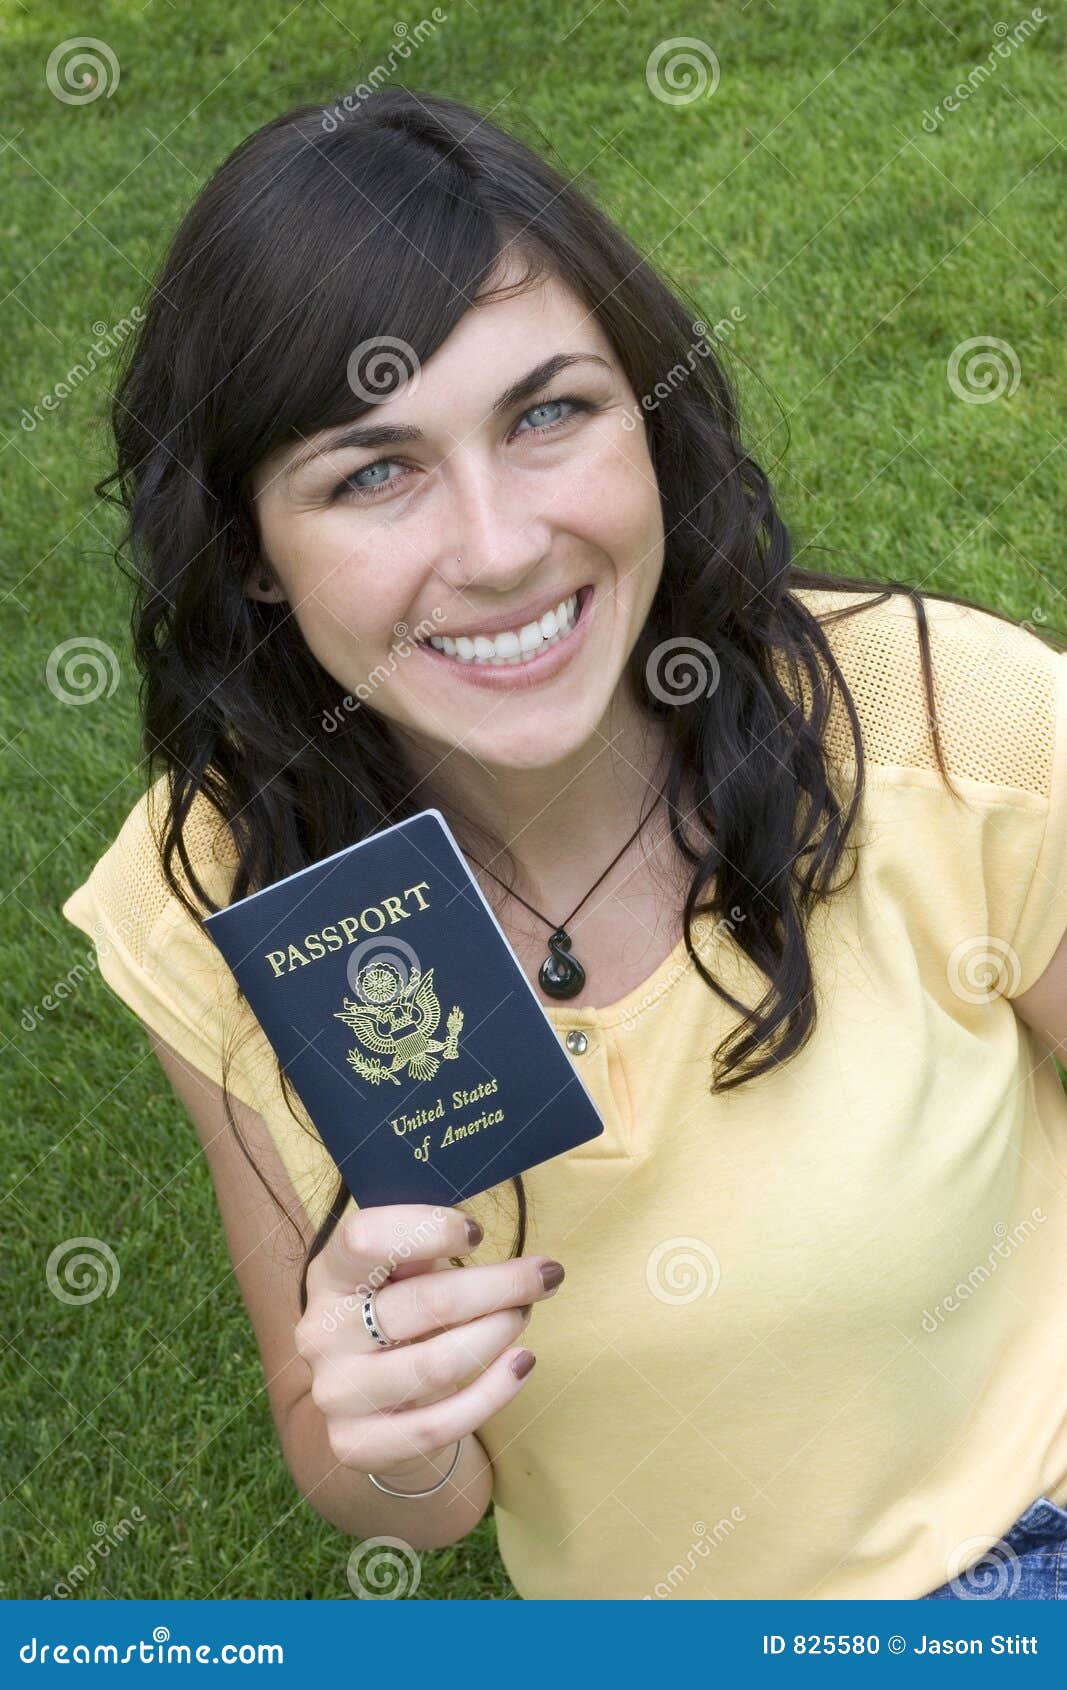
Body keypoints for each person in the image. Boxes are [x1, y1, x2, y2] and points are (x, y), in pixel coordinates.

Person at [62, 86, 1067, 1601]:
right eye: (371, 471)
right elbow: (393, 1484)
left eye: (549, 415)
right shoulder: (217, 886)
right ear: (251, 553)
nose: (501, 544)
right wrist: (392, 1413)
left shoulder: (946, 718)